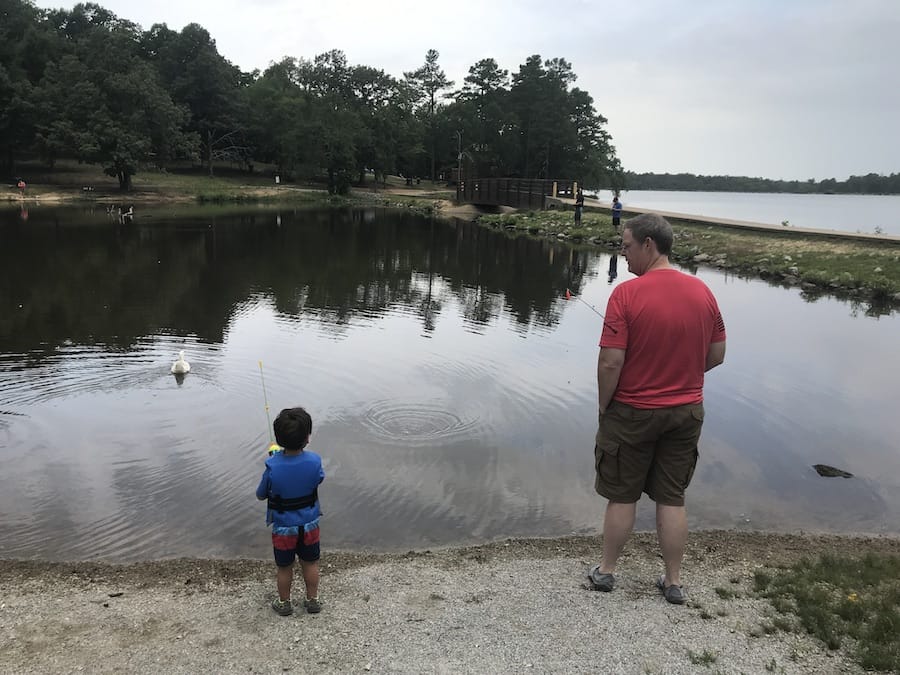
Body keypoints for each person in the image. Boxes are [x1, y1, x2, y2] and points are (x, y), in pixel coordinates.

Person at [588, 213, 726, 605]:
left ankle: (607, 572)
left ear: (649, 244)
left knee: (622, 494)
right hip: (686, 411)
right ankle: (673, 581)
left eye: (626, 246)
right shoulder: (703, 292)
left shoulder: (626, 295)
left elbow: (610, 362)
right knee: (671, 497)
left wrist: (604, 404)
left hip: (631, 411)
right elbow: (717, 354)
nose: (623, 254)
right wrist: (680, 372)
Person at [256, 407, 325, 616]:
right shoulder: (315, 461)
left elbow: (261, 495)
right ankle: (312, 600)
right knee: (310, 563)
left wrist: (276, 459)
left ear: (279, 439)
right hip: (310, 525)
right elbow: (318, 478)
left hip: (284, 529)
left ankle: (284, 604)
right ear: (307, 438)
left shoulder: (272, 466)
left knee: (285, 567)